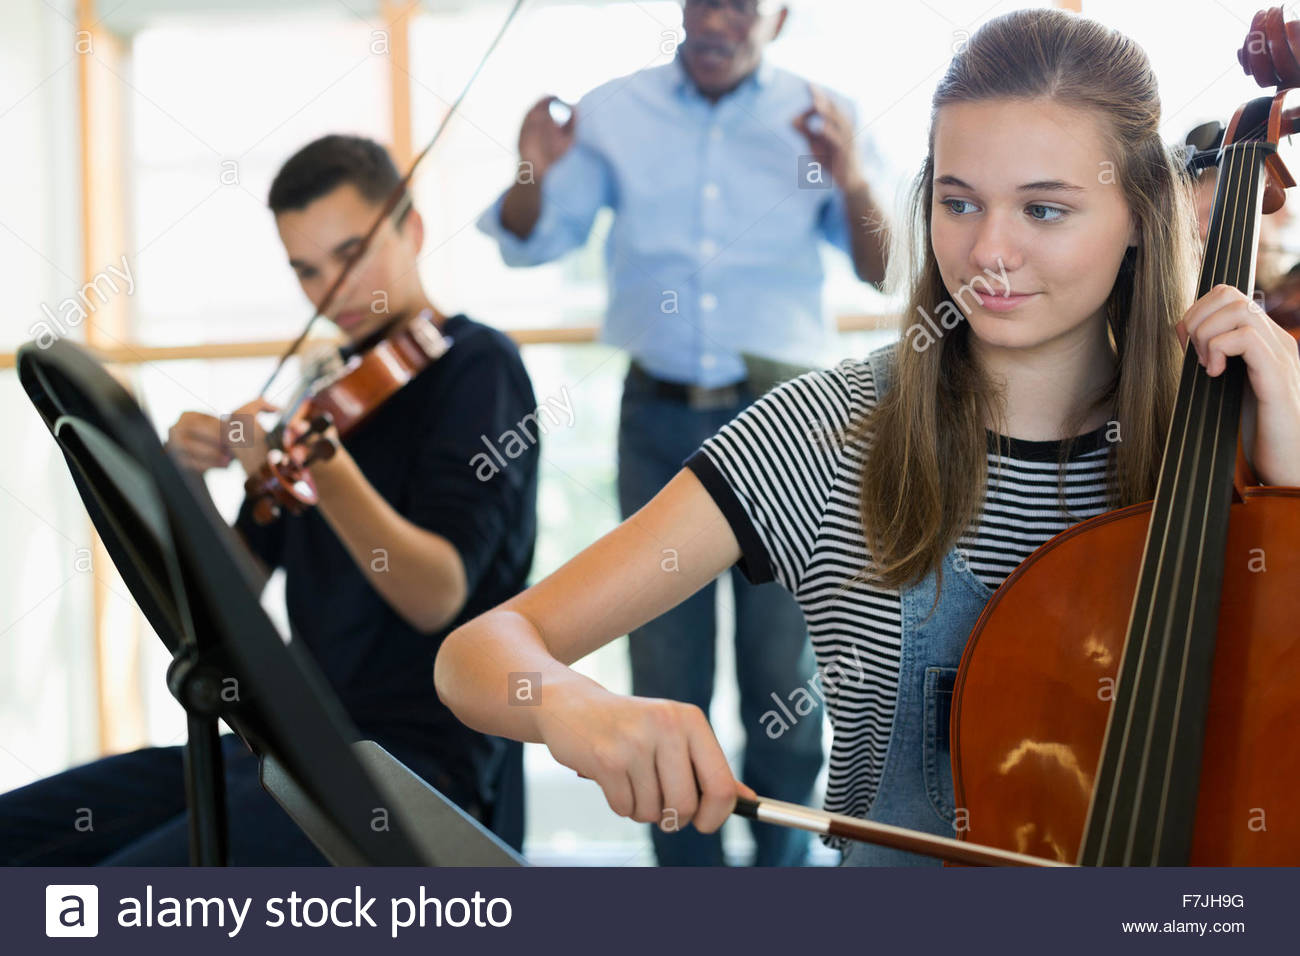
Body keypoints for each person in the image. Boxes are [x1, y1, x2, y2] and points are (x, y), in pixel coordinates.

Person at [436, 9, 1300, 866]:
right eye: (959, 202)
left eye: (1044, 210)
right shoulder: (831, 430)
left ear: (1144, 214)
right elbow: (479, 654)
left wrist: (1289, 475)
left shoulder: (1233, 430)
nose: (989, 251)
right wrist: (570, 705)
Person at [0, 134, 539, 865]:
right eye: (305, 270)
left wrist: (323, 463)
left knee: (113, 891)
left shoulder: (480, 370)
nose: (332, 293)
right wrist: (184, 479)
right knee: (23, 833)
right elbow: (241, 584)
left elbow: (435, 595)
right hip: (296, 742)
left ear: (411, 229)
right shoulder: (323, 390)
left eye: (351, 256)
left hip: (418, 766)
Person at [476, 0, 890, 867]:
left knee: (786, 678)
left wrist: (850, 181)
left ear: (778, 15)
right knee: (665, 674)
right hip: (658, 418)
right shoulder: (618, 110)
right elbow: (529, 241)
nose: (716, 20)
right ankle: (690, 902)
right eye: (702, 0)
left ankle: (778, 891)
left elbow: (884, 269)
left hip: (793, 423)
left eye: (740, 6)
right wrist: (529, 169)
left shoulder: (823, 115)